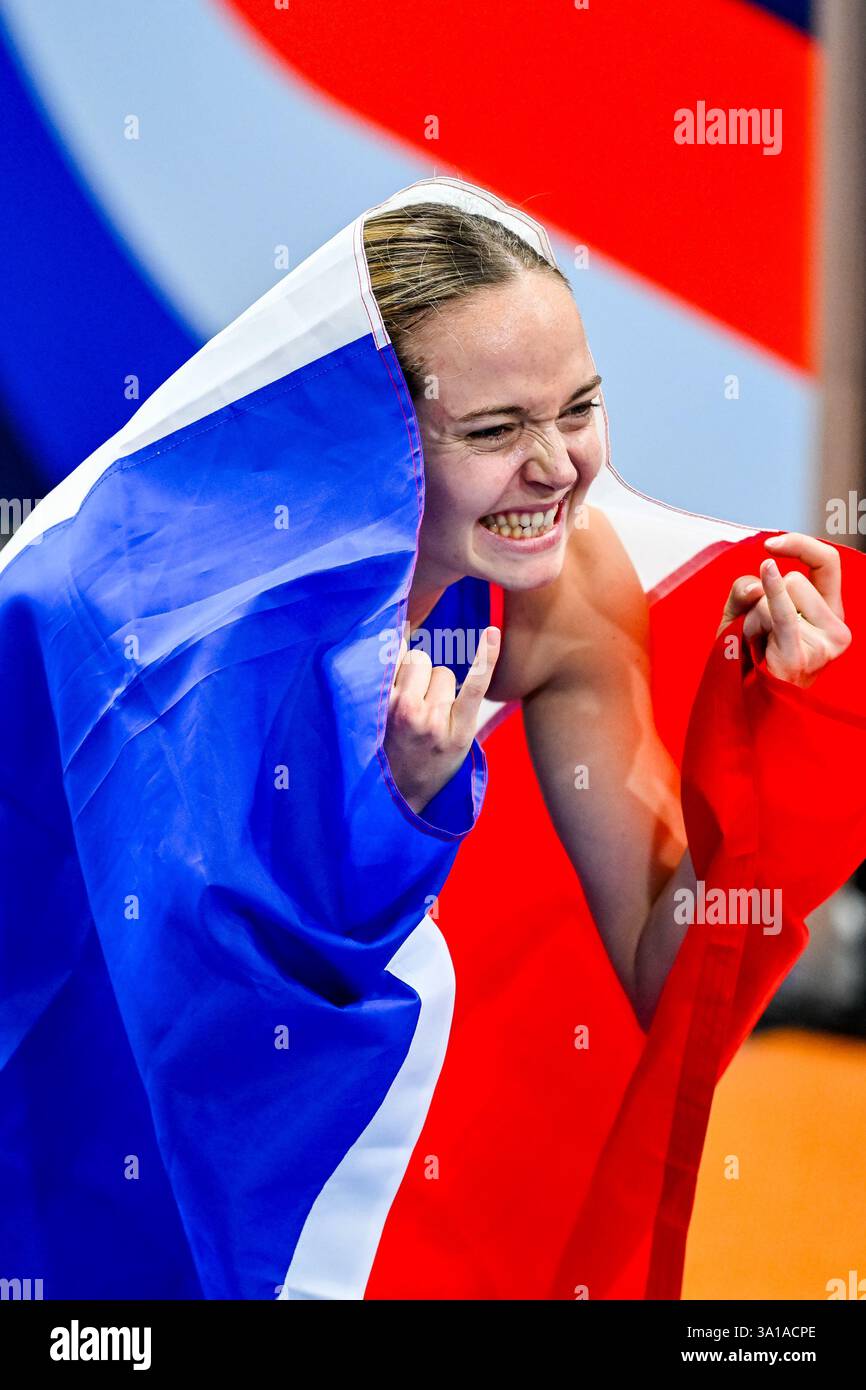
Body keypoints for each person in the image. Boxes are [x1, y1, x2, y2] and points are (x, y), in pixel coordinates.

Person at [1, 176, 865, 1302]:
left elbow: (669, 970)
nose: (555, 468)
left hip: (326, 1142)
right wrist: (394, 815)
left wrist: (770, 743)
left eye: (577, 407)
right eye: (496, 429)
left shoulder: (565, 593)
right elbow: (201, 1019)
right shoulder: (204, 633)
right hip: (107, 1094)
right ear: (381, 440)